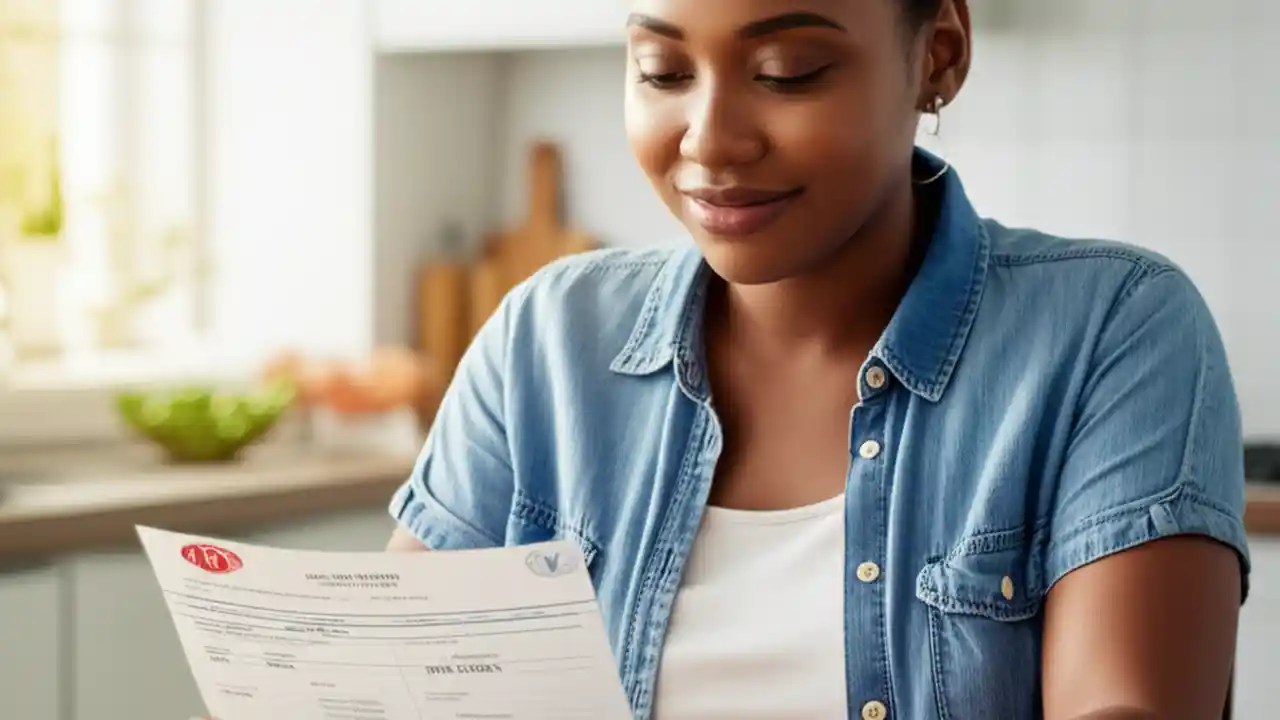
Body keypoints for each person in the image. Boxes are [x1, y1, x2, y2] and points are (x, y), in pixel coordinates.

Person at [385, 1, 1249, 718]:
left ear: (939, 55)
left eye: (787, 72)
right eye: (664, 71)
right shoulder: (544, 340)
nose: (710, 140)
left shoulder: (1113, 328)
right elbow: (392, 686)